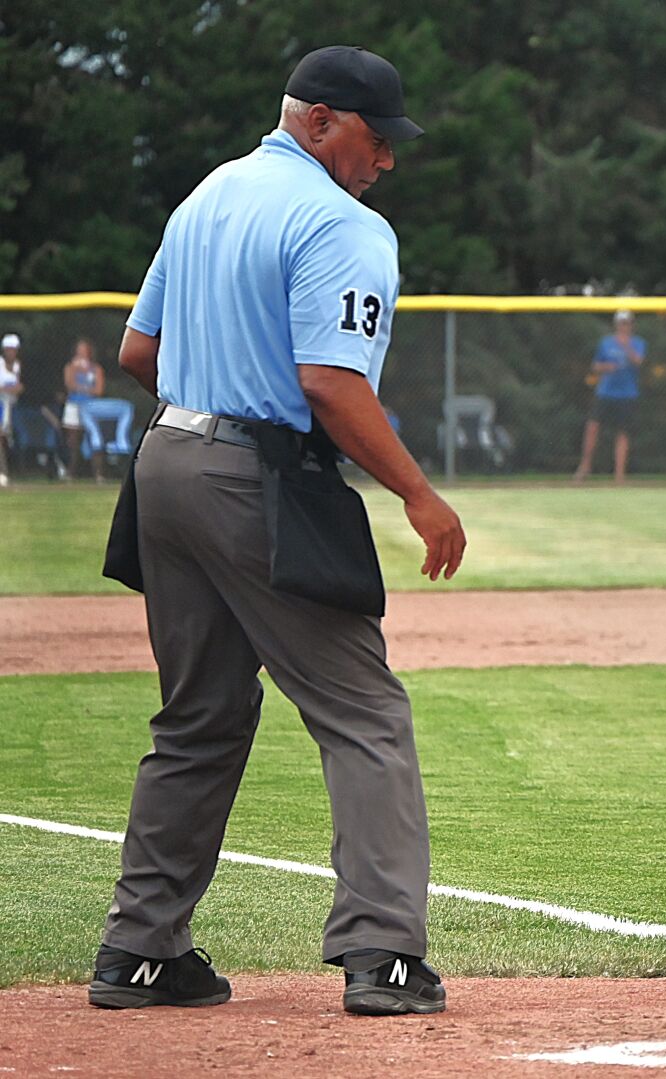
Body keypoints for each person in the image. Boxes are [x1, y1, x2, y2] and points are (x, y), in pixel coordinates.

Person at [90, 45, 464, 1018]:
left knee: (200, 714)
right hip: (253, 474)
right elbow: (330, 382)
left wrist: (206, 406)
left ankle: (140, 948)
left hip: (165, 460)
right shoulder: (340, 223)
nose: (384, 161)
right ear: (323, 121)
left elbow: (138, 350)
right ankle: (382, 952)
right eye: (376, 140)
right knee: (363, 712)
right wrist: (419, 494)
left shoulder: (208, 195)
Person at [572, 310, 645, 482]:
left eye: (627, 323)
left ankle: (619, 474)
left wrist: (626, 346)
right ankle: (585, 466)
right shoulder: (606, 343)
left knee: (622, 432)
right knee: (592, 427)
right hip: (605, 392)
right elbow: (595, 365)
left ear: (631, 325)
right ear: (616, 324)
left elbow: (638, 361)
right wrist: (606, 367)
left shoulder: (638, 343)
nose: (624, 326)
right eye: (621, 323)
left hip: (627, 394)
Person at [62, 338, 107, 482]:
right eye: (79, 349)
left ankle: (98, 474)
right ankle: (71, 472)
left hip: (91, 407)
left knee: (94, 438)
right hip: (73, 405)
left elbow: (99, 390)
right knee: (73, 441)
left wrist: (83, 389)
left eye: (84, 349)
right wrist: (79, 374)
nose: (81, 352)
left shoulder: (96, 369)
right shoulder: (70, 367)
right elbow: (70, 385)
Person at [0, 333, 21, 487]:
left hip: (10, 407)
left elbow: (19, 388)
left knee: (5, 439)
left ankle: (4, 472)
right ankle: (3, 472)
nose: (11, 352)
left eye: (13, 349)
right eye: (8, 349)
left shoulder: (17, 366)